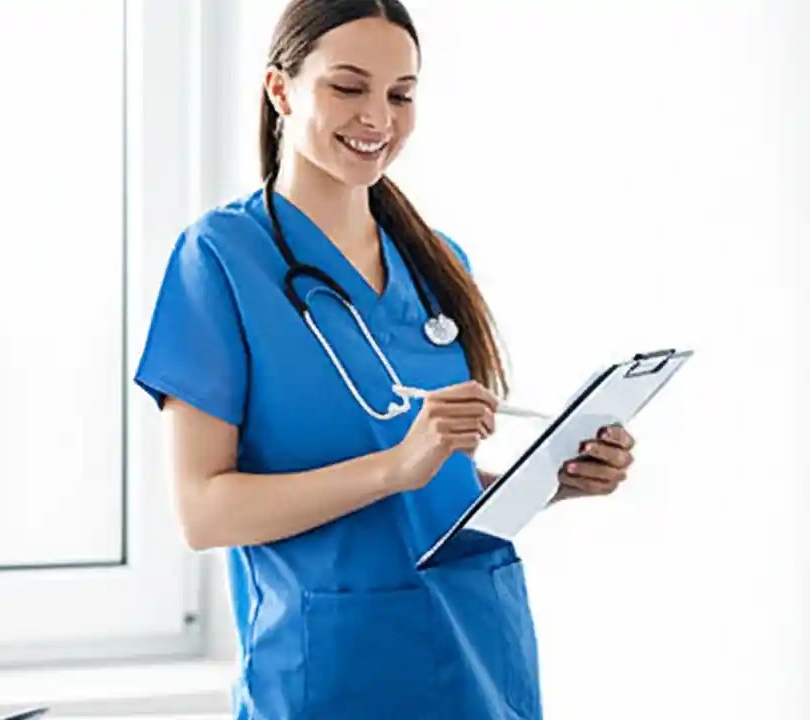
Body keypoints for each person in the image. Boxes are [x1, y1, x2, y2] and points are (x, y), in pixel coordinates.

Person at [134, 1, 637, 717]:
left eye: (401, 95)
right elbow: (203, 513)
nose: (378, 117)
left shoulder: (438, 263)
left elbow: (434, 487)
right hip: (331, 672)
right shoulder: (219, 259)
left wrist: (548, 481)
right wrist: (395, 466)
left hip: (475, 660)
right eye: (348, 87)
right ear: (281, 90)